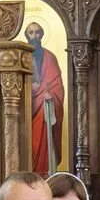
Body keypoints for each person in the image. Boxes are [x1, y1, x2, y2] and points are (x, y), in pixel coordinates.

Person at [26, 23, 64, 173]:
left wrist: (52, 96)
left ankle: (45, 174)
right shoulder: (21, 56)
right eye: (31, 33)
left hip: (44, 105)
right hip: (26, 106)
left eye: (37, 32)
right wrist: (28, 89)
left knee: (44, 111)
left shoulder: (50, 58)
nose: (34, 36)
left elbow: (57, 86)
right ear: (27, 35)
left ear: (41, 34)